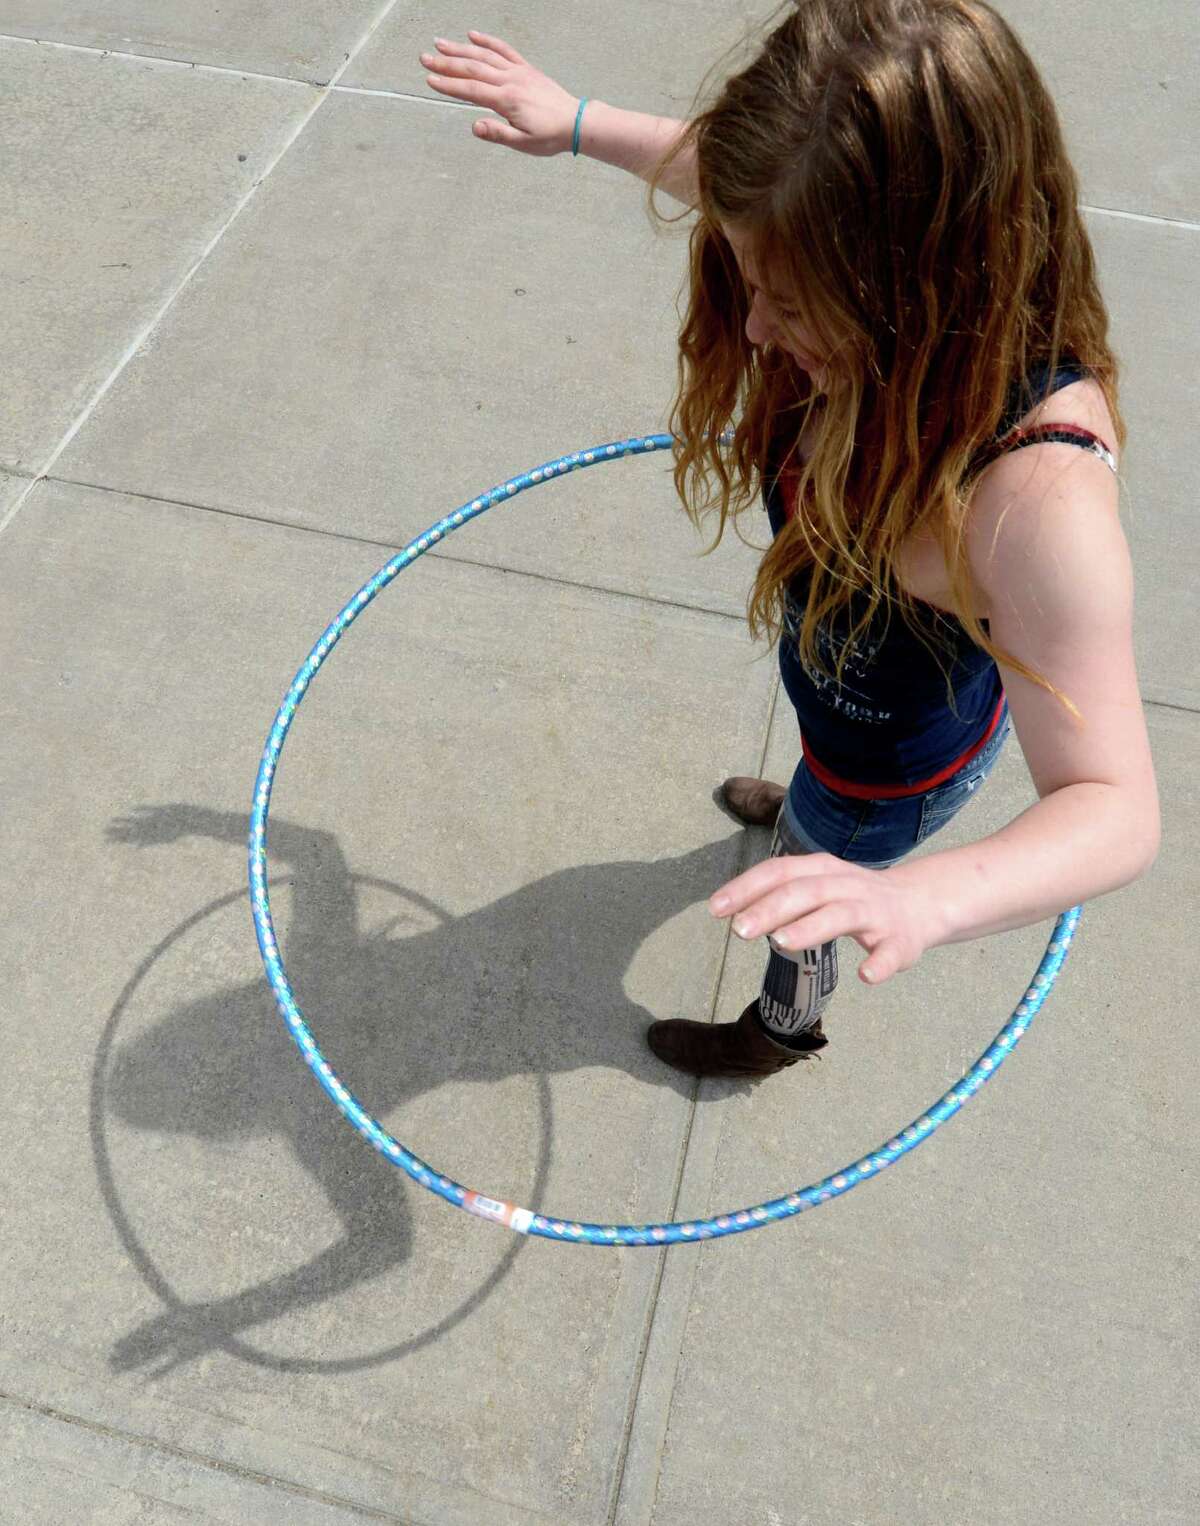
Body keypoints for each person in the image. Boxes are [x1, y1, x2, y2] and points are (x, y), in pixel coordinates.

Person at [421, 2, 1160, 1079]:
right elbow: (713, 180)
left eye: (794, 302)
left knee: (816, 880)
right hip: (843, 698)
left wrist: (912, 895)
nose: (758, 329)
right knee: (816, 802)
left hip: (892, 766)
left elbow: (1116, 807)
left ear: (920, 285)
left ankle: (780, 1027)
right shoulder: (823, 253)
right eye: (750, 275)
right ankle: (811, 802)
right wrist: (574, 120)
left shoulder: (1036, 499)